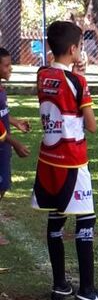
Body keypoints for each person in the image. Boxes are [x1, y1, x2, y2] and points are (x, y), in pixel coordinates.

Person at [31, 20, 98, 300]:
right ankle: (87, 292)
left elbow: (55, 81)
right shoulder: (78, 82)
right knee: (85, 221)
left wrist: (74, 74)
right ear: (73, 49)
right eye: (80, 46)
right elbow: (91, 125)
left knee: (56, 220)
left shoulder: (42, 75)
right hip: (72, 161)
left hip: (48, 161)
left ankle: (60, 286)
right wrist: (83, 83)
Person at [0, 47, 31, 199]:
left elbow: (2, 114)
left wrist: (15, 122)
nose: (10, 68)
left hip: (3, 148)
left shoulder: (1, 88)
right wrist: (16, 144)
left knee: (3, 187)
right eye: (6, 65)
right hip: (2, 145)